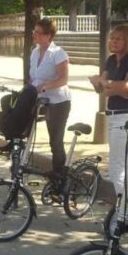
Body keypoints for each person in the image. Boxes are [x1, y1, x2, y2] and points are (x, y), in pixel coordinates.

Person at [88, 24, 128, 221]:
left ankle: (125, 214)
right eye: (112, 38)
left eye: (118, 39)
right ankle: (124, 212)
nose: (113, 42)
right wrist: (102, 84)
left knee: (118, 169)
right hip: (112, 115)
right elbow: (102, 89)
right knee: (117, 168)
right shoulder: (111, 61)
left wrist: (109, 85)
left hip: (127, 117)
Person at [29, 17, 71, 183]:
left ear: (49, 36)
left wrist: (45, 86)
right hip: (40, 100)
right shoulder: (34, 52)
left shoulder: (58, 53)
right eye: (35, 32)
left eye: (39, 33)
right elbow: (33, 77)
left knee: (55, 140)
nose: (35, 35)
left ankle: (60, 178)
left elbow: (63, 79)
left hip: (58, 101)